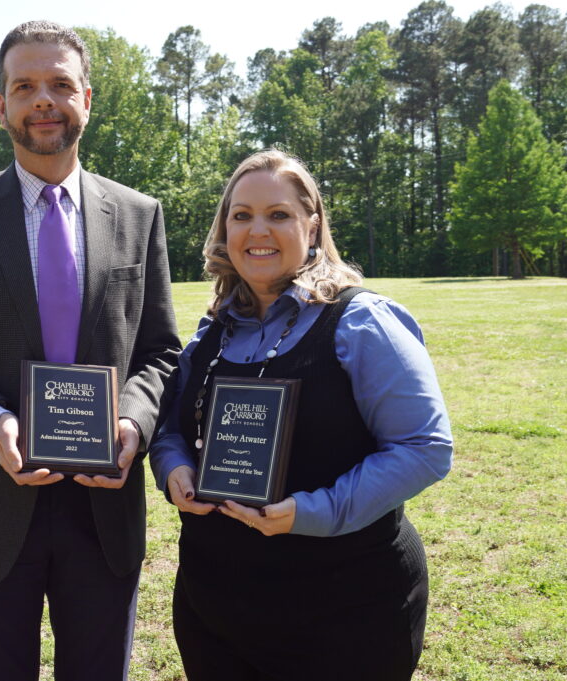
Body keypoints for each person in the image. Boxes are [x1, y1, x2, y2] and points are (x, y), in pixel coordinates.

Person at [0, 21, 181, 681]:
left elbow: (162, 352)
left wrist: (133, 422)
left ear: (87, 99)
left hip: (103, 509)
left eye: (59, 84)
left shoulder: (139, 215)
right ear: (2, 105)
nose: (43, 99)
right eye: (25, 86)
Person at [149, 149, 453, 680]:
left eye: (278, 214)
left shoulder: (361, 321)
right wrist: (173, 468)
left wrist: (312, 511)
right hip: (215, 610)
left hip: (345, 612)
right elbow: (172, 428)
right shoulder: (213, 331)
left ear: (312, 226)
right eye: (241, 215)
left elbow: (424, 449)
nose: (256, 229)